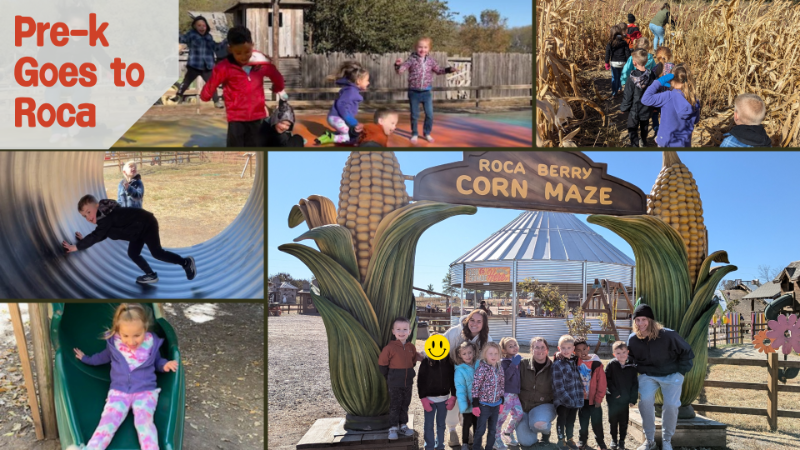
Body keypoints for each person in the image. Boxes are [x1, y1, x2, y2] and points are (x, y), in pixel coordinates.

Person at [69, 304, 178, 450]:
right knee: (107, 421)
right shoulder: (115, 343)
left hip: (145, 391)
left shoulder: (151, 343)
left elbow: (157, 361)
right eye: (125, 335)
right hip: (119, 391)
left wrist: (165, 365)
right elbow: (102, 357)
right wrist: (86, 359)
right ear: (118, 330)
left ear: (145, 329)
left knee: (144, 422)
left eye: (137, 335)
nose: (131, 341)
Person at [61, 196, 196, 285]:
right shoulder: (104, 218)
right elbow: (100, 235)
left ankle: (186, 262)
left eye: (88, 212)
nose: (88, 217)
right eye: (84, 216)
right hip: (136, 231)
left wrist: (77, 247)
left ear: (96, 206)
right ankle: (150, 275)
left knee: (157, 253)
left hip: (146, 223)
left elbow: (97, 235)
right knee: (133, 253)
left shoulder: (106, 216)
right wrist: (84, 240)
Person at [200, 26, 287, 147]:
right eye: (238, 53)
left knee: (257, 147)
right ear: (230, 49)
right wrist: (205, 95)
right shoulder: (224, 67)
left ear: (252, 45)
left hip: (257, 116)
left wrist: (278, 87)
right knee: (236, 147)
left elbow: (276, 76)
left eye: (247, 52)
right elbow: (212, 83)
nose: (243, 56)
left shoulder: (261, 64)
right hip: (236, 118)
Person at [627, 304, 694, 450]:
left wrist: (681, 372)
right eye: (637, 320)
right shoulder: (632, 339)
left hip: (671, 374)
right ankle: (649, 440)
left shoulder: (669, 335)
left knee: (671, 405)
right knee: (644, 402)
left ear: (650, 320)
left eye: (643, 319)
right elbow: (629, 359)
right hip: (648, 375)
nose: (640, 324)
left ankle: (667, 440)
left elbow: (687, 352)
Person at [444, 310, 494, 447]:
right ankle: (452, 429)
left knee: (471, 404)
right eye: (472, 320)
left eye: (479, 321)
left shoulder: (486, 339)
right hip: (453, 371)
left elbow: (491, 357)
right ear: (467, 320)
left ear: (484, 324)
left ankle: (467, 429)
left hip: (474, 376)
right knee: (453, 400)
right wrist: (424, 355)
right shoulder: (455, 332)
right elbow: (440, 344)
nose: (474, 324)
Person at [395, 37, 457, 144]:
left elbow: (438, 70)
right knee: (415, 115)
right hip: (414, 92)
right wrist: (397, 65)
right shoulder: (411, 60)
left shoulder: (431, 61)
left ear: (429, 49)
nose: (422, 49)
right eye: (420, 47)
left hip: (426, 92)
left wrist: (448, 70)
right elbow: (400, 71)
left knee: (430, 114)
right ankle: (414, 133)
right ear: (416, 48)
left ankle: (427, 133)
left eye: (425, 47)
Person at [379, 317, 423, 440]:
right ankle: (393, 427)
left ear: (409, 331)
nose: (401, 332)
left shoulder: (411, 347)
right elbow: (382, 364)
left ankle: (403, 425)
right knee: (395, 405)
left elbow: (413, 361)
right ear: (393, 331)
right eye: (398, 329)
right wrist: (390, 376)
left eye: (405, 329)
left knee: (405, 404)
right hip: (394, 383)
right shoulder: (390, 348)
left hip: (408, 382)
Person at [641, 64, 701, 147]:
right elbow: (696, 120)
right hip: (685, 144)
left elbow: (645, 99)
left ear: (671, 80)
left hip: (666, 143)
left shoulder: (668, 96)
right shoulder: (694, 99)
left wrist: (658, 82)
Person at [174, 16, 225, 108]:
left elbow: (215, 47)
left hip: (207, 66)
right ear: (195, 26)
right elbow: (182, 39)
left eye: (204, 26)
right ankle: (178, 96)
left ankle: (217, 101)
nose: (202, 27)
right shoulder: (191, 35)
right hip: (194, 65)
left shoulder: (209, 37)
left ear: (206, 27)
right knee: (186, 82)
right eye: (199, 25)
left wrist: (225, 42)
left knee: (212, 84)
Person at [314, 61, 369, 145]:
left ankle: (328, 135)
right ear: (358, 81)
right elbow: (341, 105)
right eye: (367, 80)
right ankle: (331, 138)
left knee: (349, 132)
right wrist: (351, 120)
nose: (368, 83)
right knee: (347, 137)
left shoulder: (351, 90)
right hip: (336, 118)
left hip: (337, 118)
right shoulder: (351, 91)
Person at [418, 333, 457, 450]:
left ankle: (440, 445)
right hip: (429, 399)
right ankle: (429, 446)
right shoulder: (426, 361)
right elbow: (421, 381)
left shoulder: (449, 362)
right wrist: (423, 398)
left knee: (441, 425)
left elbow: (452, 380)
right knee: (428, 425)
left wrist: (453, 397)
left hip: (444, 400)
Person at [516, 337, 556, 447]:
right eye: (536, 347)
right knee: (526, 442)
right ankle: (529, 426)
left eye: (542, 347)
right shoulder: (522, 364)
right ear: (531, 350)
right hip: (523, 408)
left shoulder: (554, 367)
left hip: (543, 406)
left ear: (547, 350)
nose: (540, 350)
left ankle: (545, 434)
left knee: (539, 424)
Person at [574, 337, 608, 450]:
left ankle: (600, 442)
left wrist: (599, 399)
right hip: (582, 400)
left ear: (588, 348)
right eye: (578, 350)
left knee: (597, 422)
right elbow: (562, 354)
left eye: (584, 349)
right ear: (574, 352)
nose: (582, 352)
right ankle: (582, 440)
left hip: (594, 400)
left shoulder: (596, 364)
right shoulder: (575, 361)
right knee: (583, 422)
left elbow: (602, 383)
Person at [552, 335, 584, 450]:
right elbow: (558, 386)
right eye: (563, 348)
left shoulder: (574, 361)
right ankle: (561, 440)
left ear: (573, 349)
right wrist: (568, 400)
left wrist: (576, 399)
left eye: (569, 347)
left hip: (575, 398)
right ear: (559, 348)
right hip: (563, 400)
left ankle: (570, 437)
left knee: (571, 420)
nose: (566, 350)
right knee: (562, 419)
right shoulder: (557, 364)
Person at [605, 341, 639, 450]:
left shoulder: (632, 366)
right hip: (613, 400)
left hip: (625, 400)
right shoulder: (611, 365)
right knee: (613, 420)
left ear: (628, 352)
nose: (622, 355)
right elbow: (607, 380)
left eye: (624, 352)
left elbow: (634, 383)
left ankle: (622, 441)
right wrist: (615, 393)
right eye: (618, 353)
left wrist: (633, 399)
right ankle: (614, 440)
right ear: (614, 354)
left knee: (624, 421)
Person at [471, 342, 504, 450]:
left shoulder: (500, 368)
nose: (493, 356)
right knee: (481, 429)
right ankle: (476, 447)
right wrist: (475, 404)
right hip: (483, 405)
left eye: (496, 353)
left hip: (496, 405)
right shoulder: (482, 369)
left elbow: (502, 385)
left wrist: (501, 401)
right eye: (491, 353)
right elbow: (475, 387)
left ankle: (489, 447)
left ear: (499, 355)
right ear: (485, 354)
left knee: (493, 430)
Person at [620, 50, 656, 147]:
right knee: (644, 126)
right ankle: (644, 141)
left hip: (634, 110)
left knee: (632, 127)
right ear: (647, 61)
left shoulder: (631, 78)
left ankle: (635, 145)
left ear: (634, 62)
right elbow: (655, 91)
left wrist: (624, 108)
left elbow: (627, 95)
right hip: (647, 108)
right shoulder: (651, 75)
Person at [495, 338, 523, 450]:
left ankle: (507, 433)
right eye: (510, 346)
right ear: (504, 350)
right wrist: (513, 364)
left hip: (515, 394)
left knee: (519, 414)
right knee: (501, 418)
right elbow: (505, 377)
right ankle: (495, 438)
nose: (514, 347)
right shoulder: (503, 363)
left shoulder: (519, 360)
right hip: (506, 394)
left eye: (515, 344)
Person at [454, 341, 480, 450]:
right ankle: (465, 443)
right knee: (467, 423)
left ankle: (476, 442)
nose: (468, 356)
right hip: (468, 402)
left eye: (470, 352)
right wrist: (464, 403)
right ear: (460, 355)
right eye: (464, 354)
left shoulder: (480, 365)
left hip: (479, 402)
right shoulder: (460, 370)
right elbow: (460, 388)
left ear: (474, 352)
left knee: (477, 423)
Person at [649, 46, 676, 136]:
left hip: (657, 96)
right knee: (666, 115)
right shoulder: (673, 68)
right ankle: (666, 131)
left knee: (655, 112)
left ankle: (656, 128)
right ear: (669, 55)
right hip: (669, 96)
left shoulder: (654, 69)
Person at [604, 25, 631, 97]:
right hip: (623, 62)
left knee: (614, 77)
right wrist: (629, 62)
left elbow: (607, 54)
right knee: (621, 76)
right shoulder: (624, 42)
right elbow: (627, 53)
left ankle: (614, 92)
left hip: (614, 63)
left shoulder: (610, 43)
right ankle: (620, 89)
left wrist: (606, 62)